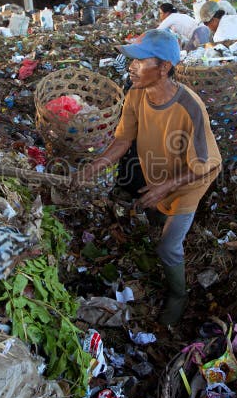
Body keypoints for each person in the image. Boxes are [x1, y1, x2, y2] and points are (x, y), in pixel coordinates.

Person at [76, 29, 222, 325]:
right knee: (155, 210)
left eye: (140, 60)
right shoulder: (135, 94)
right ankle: (162, 216)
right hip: (159, 170)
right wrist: (93, 166)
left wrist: (165, 187)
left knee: (168, 245)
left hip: (190, 179)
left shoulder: (190, 106)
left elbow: (203, 164)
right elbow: (122, 140)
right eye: (131, 59)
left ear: (164, 67)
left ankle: (179, 295)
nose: (131, 66)